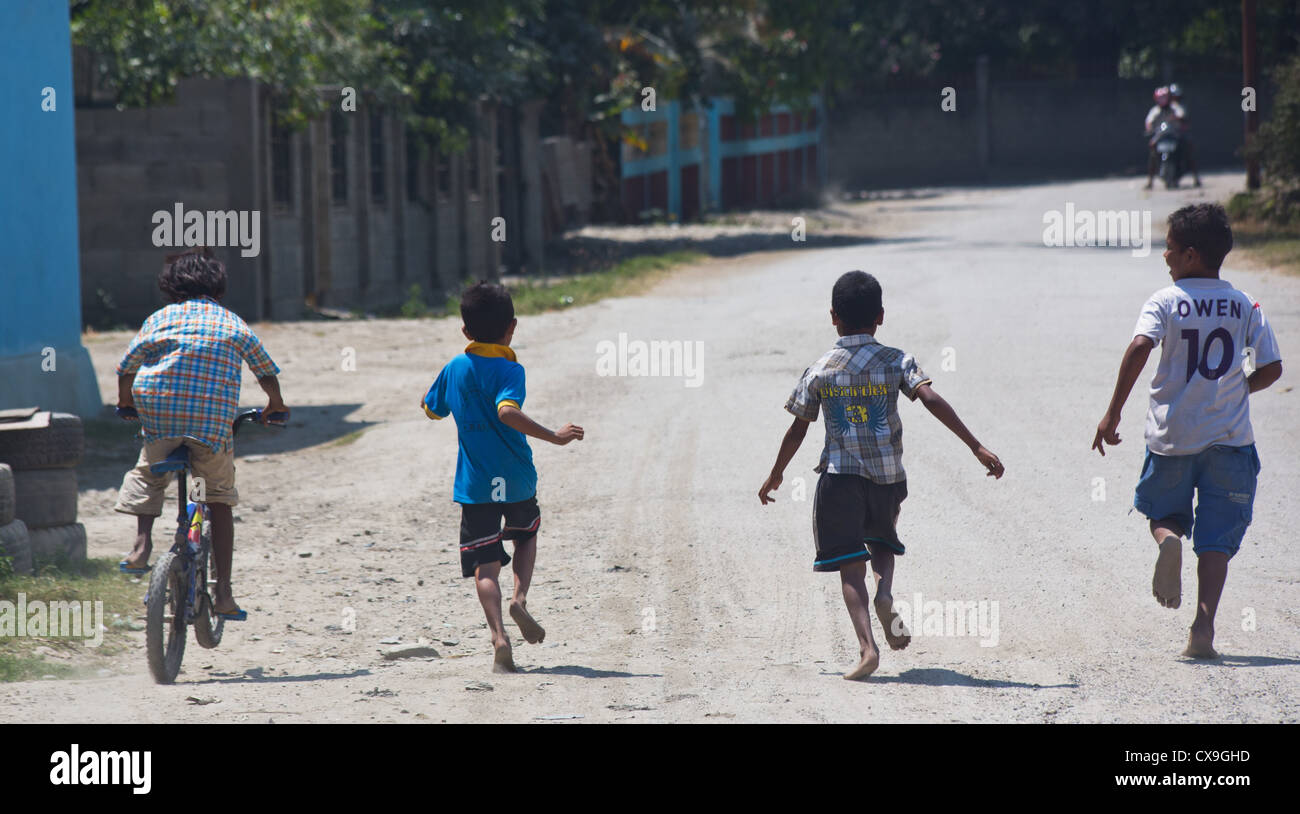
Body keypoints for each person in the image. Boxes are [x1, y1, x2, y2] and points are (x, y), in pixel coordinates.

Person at [758, 270, 1004, 680]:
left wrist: (776, 473)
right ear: (881, 316)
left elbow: (798, 427)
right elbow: (930, 398)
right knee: (883, 540)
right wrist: (975, 445)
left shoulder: (819, 368)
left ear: (833, 317)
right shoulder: (897, 360)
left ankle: (868, 650)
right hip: (888, 476)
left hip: (839, 478)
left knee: (849, 565)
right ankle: (885, 592)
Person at [1092, 203, 1282, 658]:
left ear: (1192, 255)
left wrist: (1112, 412)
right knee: (1217, 540)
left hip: (1173, 436)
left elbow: (1140, 346)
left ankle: (1170, 542)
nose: (1165, 256)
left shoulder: (1164, 301)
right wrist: (1237, 391)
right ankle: (1202, 630)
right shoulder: (1244, 303)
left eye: (1171, 249)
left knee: (1163, 513)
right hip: (1231, 442)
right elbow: (1273, 368)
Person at [115, 248, 288, 620]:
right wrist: (275, 404)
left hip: (159, 414)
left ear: (170, 286)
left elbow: (126, 367)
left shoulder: (158, 319)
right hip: (210, 425)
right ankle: (223, 593)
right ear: (219, 287)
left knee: (148, 472)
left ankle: (141, 547)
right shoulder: (231, 323)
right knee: (218, 498)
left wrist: (125, 402)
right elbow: (264, 370)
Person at [422, 282, 584, 673]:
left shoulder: (455, 367)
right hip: (515, 477)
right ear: (512, 327)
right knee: (526, 535)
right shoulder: (511, 368)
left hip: (475, 486)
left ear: (465, 331)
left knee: (485, 566)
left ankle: (498, 637)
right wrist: (556, 437)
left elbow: (431, 410)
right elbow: (507, 411)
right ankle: (520, 600)